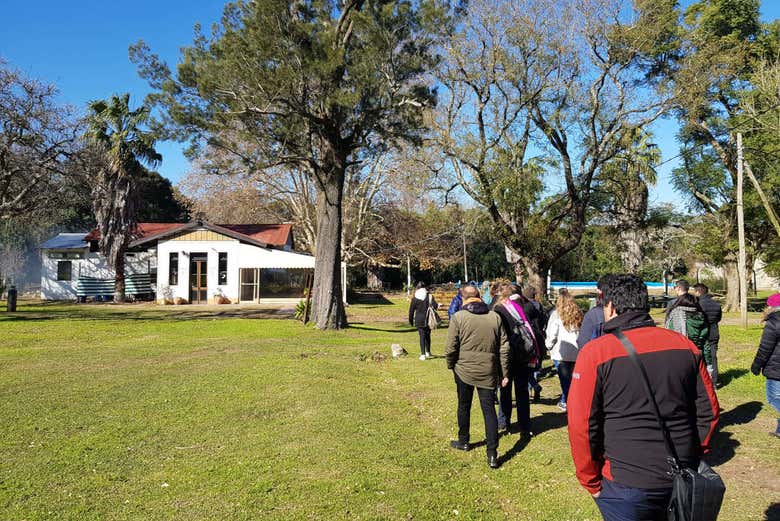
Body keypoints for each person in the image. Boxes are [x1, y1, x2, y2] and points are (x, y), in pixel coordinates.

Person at [567, 274, 719, 521]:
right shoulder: (685, 345)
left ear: (611, 307)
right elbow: (709, 410)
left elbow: (581, 424)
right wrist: (692, 452)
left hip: (625, 482)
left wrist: (589, 479)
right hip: (680, 469)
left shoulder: (595, 353)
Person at [445, 284, 510, 469]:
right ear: (479, 296)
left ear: (462, 298)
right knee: (488, 411)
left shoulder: (458, 317)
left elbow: (450, 347)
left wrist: (451, 365)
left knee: (464, 405)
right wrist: (503, 372)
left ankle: (463, 440)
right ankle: (492, 454)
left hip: (463, 370)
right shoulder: (494, 317)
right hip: (488, 371)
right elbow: (504, 347)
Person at [493, 283, 539, 436]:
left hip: (506, 355)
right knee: (522, 391)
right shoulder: (523, 306)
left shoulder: (498, 310)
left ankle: (503, 421)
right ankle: (525, 425)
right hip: (524, 354)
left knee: (505, 389)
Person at [545, 289, 583, 411]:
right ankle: (569, 400)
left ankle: (567, 402)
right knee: (573, 380)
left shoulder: (556, 315)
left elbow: (552, 334)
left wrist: (548, 345)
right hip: (576, 351)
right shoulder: (579, 313)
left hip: (561, 353)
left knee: (565, 381)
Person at [751, 292, 780, 438]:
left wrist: (756, 366)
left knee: (773, 398)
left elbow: (765, 348)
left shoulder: (774, 321)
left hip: (776, 368)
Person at [693, 283, 722, 386]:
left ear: (698, 292)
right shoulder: (716, 304)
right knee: (713, 356)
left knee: (701, 356)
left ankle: (703, 379)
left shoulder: (698, 304)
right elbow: (718, 319)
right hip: (714, 332)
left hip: (701, 333)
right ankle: (715, 380)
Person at [665, 293, 710, 360]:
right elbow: (706, 344)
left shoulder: (674, 317)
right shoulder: (702, 318)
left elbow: (668, 338)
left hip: (676, 355)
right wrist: (709, 363)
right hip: (697, 355)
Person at [522, 285, 548, 400]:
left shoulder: (524, 307)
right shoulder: (539, 306)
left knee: (527, 368)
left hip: (528, 338)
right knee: (535, 368)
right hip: (539, 337)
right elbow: (544, 321)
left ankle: (530, 390)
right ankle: (534, 388)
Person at [577, 274, 613, 349]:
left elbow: (583, 344)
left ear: (600, 291)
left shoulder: (593, 315)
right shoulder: (624, 312)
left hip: (598, 357)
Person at [408, 282, 438, 361]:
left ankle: (423, 354)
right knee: (428, 335)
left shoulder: (415, 298)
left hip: (419, 319)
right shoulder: (430, 296)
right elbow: (435, 306)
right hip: (428, 318)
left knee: (422, 336)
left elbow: (411, 311)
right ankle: (428, 352)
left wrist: (410, 321)